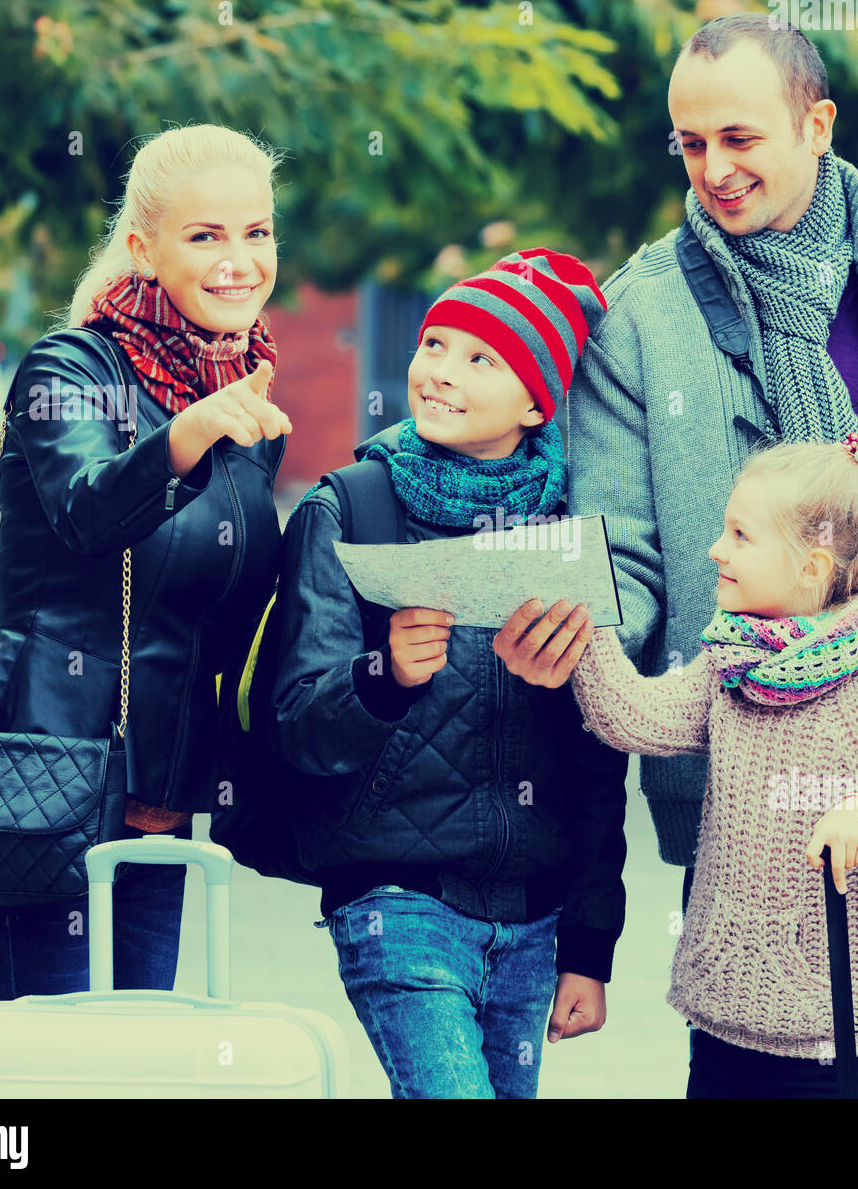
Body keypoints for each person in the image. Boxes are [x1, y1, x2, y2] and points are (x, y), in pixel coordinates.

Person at [563, 12, 858, 1097]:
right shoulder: (639, 312)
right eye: (690, 145)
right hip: (749, 779)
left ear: (815, 123)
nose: (715, 170)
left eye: (740, 138)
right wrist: (582, 629)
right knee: (755, 1073)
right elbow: (625, 560)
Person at [0, 123, 292, 1000]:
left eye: (257, 232)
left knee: (137, 1065)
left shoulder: (236, 399)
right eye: (205, 235)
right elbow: (88, 513)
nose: (238, 260)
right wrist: (190, 432)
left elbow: (225, 625)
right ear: (143, 246)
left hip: (156, 801)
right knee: (45, 1070)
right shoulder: (73, 368)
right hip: (41, 777)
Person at [263, 248, 628, 1099]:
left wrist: (588, 948)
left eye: (479, 357)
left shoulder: (568, 531)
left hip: (533, 920)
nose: (439, 372)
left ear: (538, 401)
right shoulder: (351, 507)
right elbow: (297, 723)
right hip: (398, 900)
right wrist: (381, 677)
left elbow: (595, 759)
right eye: (435, 344)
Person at [569, 431, 858, 1098]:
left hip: (837, 1043)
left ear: (812, 570)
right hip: (723, 1025)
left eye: (741, 535)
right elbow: (638, 719)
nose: (716, 549)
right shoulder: (729, 662)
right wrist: (583, 629)